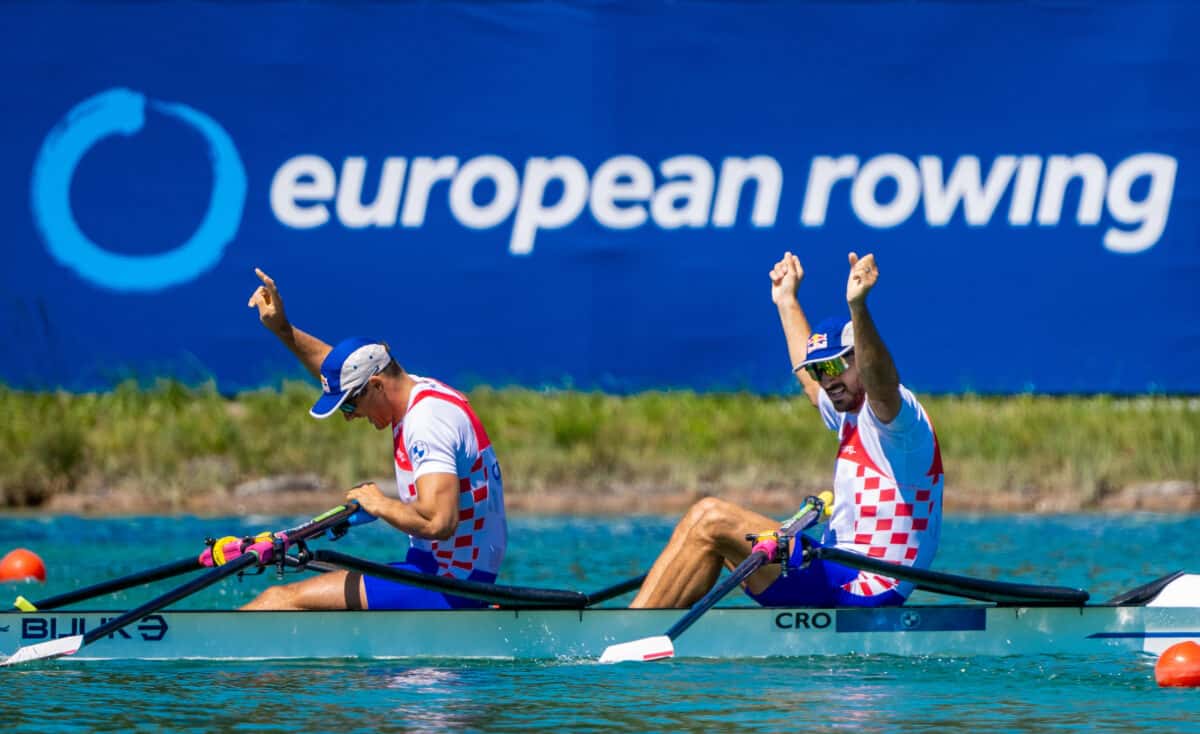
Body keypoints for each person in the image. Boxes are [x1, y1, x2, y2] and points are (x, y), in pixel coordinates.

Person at [630, 251, 943, 609]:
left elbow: (882, 382)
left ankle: (623, 630)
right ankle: (647, 623)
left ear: (860, 358)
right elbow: (812, 389)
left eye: (834, 366)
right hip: (837, 572)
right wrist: (786, 300)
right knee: (719, 541)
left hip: (867, 585)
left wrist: (858, 308)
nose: (828, 381)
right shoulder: (846, 409)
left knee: (710, 517)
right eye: (819, 371)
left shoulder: (898, 421)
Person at [240, 268, 507, 610]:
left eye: (350, 404)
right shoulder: (416, 393)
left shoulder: (427, 421)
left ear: (378, 385)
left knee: (278, 600)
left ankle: (208, 661)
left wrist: (380, 505)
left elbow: (441, 522)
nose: (350, 416)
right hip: (442, 570)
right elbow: (336, 370)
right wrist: (283, 330)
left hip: (449, 580)